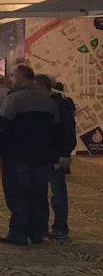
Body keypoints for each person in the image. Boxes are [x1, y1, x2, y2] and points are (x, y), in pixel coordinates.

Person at [0, 65, 59, 245]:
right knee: (38, 194)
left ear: (21, 77)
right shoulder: (49, 102)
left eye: (13, 76)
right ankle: (37, 232)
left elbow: (2, 128)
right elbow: (56, 130)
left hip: (17, 156)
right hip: (41, 158)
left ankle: (19, 233)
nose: (11, 80)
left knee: (17, 193)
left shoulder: (13, 100)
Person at [45, 77, 76, 242]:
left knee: (57, 192)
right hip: (43, 154)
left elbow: (68, 129)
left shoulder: (61, 103)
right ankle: (44, 226)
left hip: (56, 154)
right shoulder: (49, 101)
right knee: (43, 191)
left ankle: (60, 227)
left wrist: (65, 153)